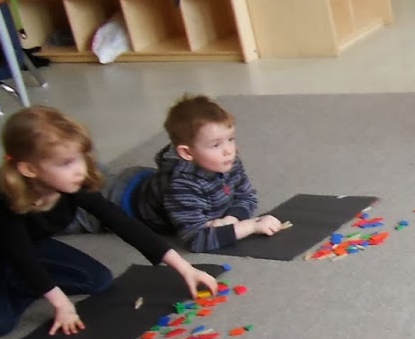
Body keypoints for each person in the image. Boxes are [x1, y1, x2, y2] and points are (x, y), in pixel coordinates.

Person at [0, 107, 222, 338]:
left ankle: (12, 282)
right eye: (67, 162)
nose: (80, 168)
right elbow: (20, 253)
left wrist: (184, 268)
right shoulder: (3, 197)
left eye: (80, 157)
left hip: (28, 243)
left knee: (97, 280)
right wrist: (60, 303)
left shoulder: (70, 182)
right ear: (29, 169)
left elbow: (119, 220)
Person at [103, 94, 283, 253]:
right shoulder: (182, 187)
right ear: (187, 153)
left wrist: (230, 219)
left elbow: (246, 196)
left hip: (146, 182)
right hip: (119, 200)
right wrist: (250, 226)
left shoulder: (228, 160)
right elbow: (195, 240)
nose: (229, 150)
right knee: (81, 197)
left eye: (230, 139)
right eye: (215, 145)